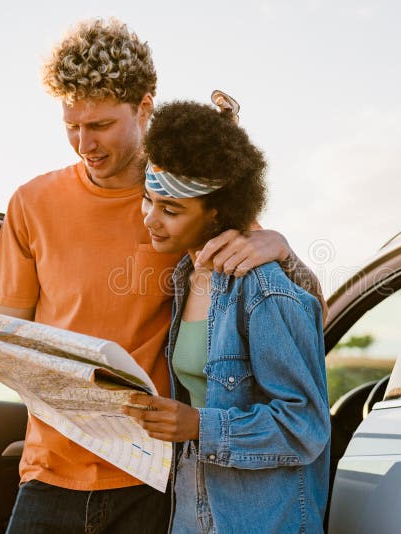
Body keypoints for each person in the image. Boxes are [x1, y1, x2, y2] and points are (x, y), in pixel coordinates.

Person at [0, 18, 325, 533]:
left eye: (99, 126)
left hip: (156, 481)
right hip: (49, 473)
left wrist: (283, 248)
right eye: (71, 125)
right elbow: (12, 343)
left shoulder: (189, 199)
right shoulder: (33, 204)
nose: (83, 143)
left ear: (144, 106)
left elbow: (287, 303)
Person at [124, 99, 330, 533]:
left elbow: (305, 426)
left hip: (258, 518)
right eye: (148, 201)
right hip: (193, 508)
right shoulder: (185, 275)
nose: (151, 220)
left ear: (216, 211)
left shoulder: (261, 285)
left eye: (171, 210)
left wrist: (199, 425)